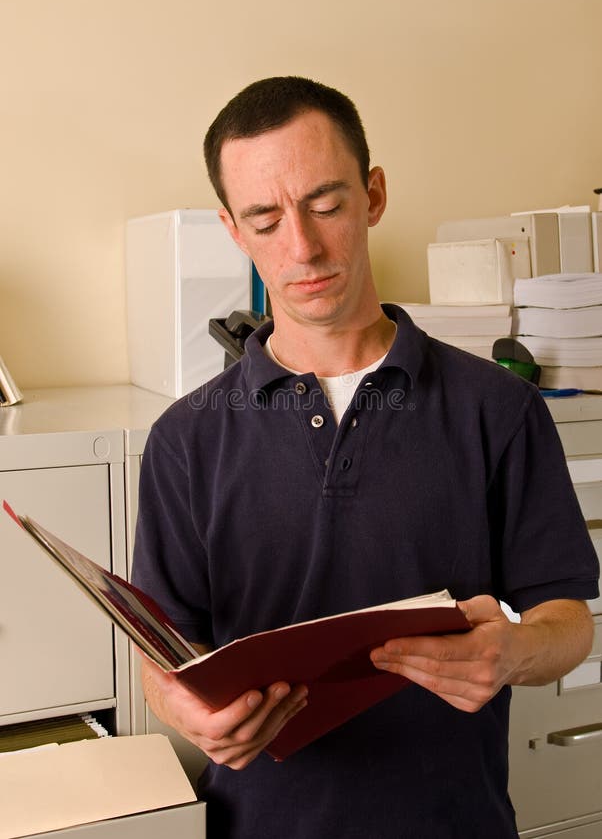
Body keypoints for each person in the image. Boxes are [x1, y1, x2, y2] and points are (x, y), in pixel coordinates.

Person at [132, 76, 599, 838]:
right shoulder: (187, 440)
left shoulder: (497, 408)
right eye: (265, 218)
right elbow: (167, 655)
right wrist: (182, 706)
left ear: (373, 194)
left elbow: (570, 620)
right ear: (233, 229)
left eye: (326, 204)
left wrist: (514, 651)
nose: (303, 247)